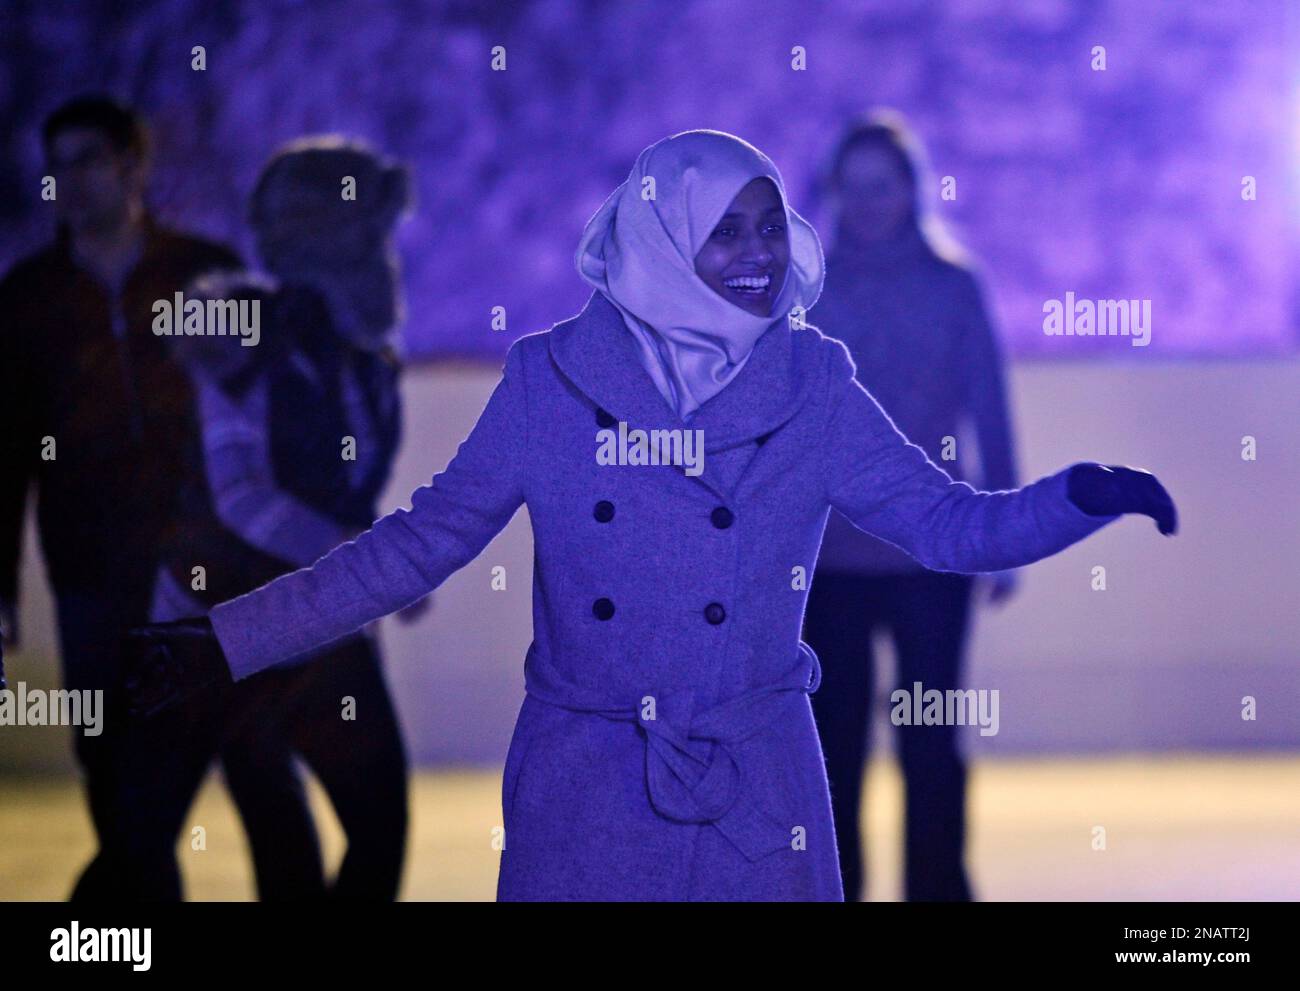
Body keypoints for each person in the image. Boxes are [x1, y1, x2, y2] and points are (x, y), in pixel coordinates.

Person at [122, 129, 1177, 902]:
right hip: (587, 788)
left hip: (758, 783)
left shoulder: (811, 381)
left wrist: (1077, 500)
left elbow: (947, 525)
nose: (760, 252)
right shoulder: (550, 382)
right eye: (728, 232)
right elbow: (418, 546)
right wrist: (227, 641)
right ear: (662, 240)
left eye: (770, 226)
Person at [108, 138, 417, 901]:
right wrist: (367, 563)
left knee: (370, 827)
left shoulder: (365, 357)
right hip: (215, 626)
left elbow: (340, 490)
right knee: (148, 848)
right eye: (365, 227)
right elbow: (240, 496)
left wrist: (369, 572)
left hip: (312, 623)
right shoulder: (241, 334)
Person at [0, 95, 240, 900]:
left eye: (85, 160)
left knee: (178, 752)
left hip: (195, 559)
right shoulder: (27, 296)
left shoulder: (203, 272)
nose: (66, 180)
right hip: (87, 567)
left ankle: (109, 917)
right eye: (56, 163)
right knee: (106, 757)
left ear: (133, 165)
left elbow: (259, 415)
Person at [801, 110, 1017, 901]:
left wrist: (1002, 534)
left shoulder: (954, 284)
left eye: (882, 186)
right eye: (852, 187)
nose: (867, 202)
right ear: (834, 192)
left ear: (911, 190)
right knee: (830, 749)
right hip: (827, 562)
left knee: (930, 743)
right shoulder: (804, 289)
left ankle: (939, 891)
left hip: (933, 554)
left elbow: (989, 406)